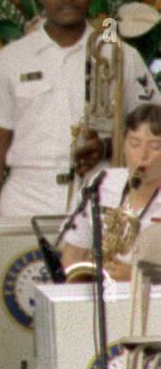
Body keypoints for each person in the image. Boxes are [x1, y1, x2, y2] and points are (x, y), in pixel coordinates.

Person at [0, 0, 160, 217]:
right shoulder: (12, 58)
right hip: (26, 199)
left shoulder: (121, 55)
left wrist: (107, 148)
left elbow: (155, 129)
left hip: (103, 193)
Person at [61, 104, 161, 282]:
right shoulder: (101, 182)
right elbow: (73, 254)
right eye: (135, 144)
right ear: (123, 145)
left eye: (154, 146)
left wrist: (137, 277)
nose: (142, 155)